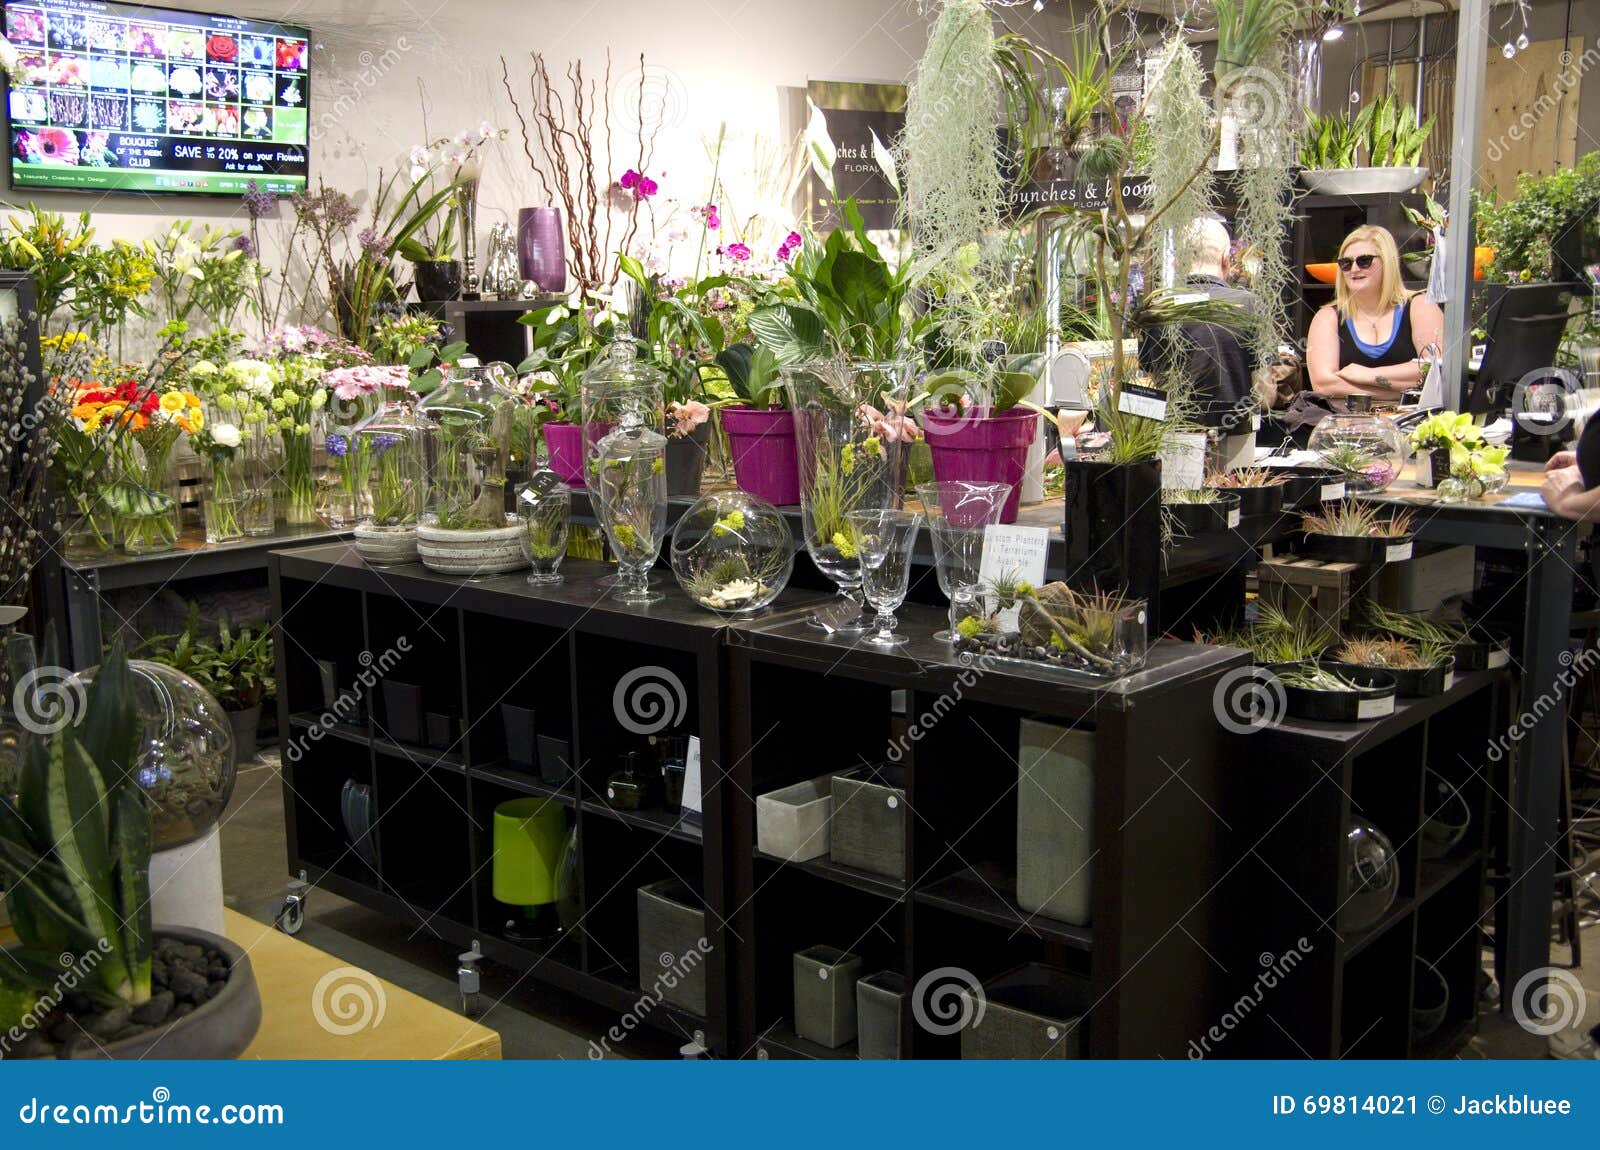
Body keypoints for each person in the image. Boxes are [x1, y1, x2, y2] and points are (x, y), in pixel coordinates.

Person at [1137, 217, 1264, 427]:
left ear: (1177, 261)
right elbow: (1264, 395)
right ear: (1226, 259)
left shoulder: (1156, 309)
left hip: (1171, 441)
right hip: (1237, 442)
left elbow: (1153, 385)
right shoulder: (1249, 304)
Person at [1307, 225, 1444, 400]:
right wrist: (1396, 392)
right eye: (1346, 263)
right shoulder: (1328, 317)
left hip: (1412, 422)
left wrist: (1365, 374)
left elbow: (1433, 370)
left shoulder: (1419, 305)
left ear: (1387, 262)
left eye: (1364, 261)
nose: (1355, 269)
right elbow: (1324, 385)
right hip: (1349, 423)